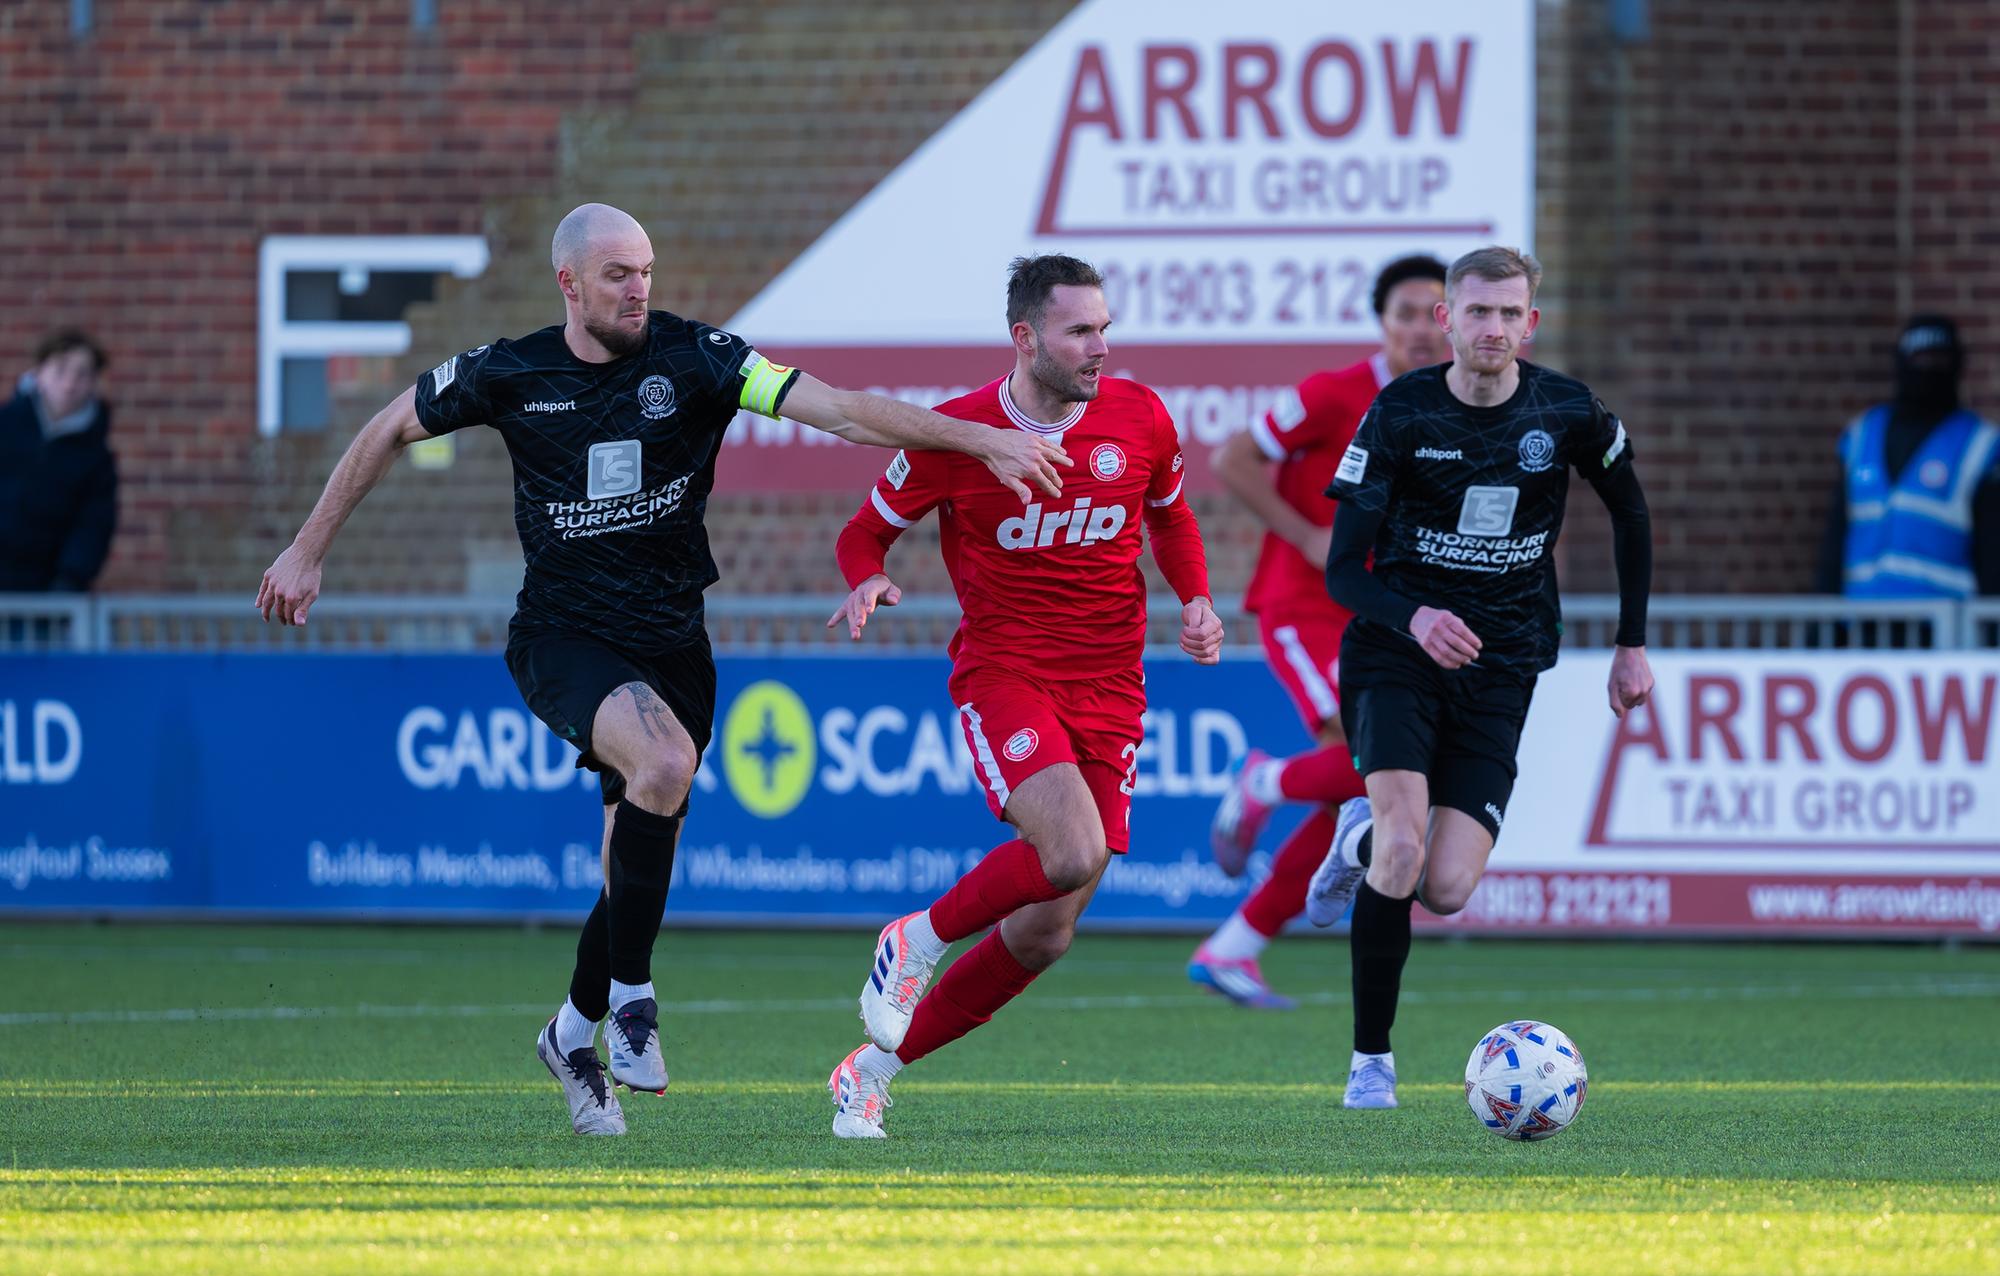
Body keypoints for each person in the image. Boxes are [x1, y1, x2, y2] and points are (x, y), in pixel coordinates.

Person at [255, 203, 1068, 1137]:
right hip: (562, 635)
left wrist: (983, 437)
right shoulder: (510, 371)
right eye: (617, 274)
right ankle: (634, 1003)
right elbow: (391, 425)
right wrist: (308, 548)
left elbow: (842, 410)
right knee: (666, 765)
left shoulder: (700, 359)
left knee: (632, 864)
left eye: (645, 270)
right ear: (569, 282)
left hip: (676, 645)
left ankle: (571, 1033)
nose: (639, 287)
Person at [822, 253, 1222, 1139]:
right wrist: (868, 579)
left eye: (1106, 328)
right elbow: (865, 531)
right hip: (1008, 673)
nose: (1100, 347)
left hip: (1114, 685)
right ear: (1025, 336)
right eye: (1081, 331)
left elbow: (1169, 512)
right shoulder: (958, 433)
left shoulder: (1141, 416)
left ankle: (871, 1072)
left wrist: (1194, 596)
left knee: (1047, 931)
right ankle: (914, 938)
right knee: (1072, 849)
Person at [1307, 245, 1654, 1110]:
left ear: (1529, 323)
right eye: (1477, 312)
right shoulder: (1401, 413)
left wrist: (1631, 643)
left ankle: (1352, 839)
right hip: (1398, 655)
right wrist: (1415, 616)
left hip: (1504, 665)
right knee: (1402, 846)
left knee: (1448, 886)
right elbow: (1344, 570)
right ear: (1446, 321)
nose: (1492, 327)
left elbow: (1632, 510)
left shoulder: (1567, 409)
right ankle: (1370, 1065)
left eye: (1509, 313)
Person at [1192, 256, 1451, 1009]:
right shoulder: (1333, 394)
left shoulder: (1448, 409)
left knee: (1363, 795)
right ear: (1383, 321)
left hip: (1378, 615)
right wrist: (1307, 535)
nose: (1420, 327)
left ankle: (1233, 947)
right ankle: (1261, 781)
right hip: (1304, 606)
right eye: (1406, 311)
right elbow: (1233, 457)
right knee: (1372, 767)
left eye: (1436, 312)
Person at [1816, 315, 2000, 600]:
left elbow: (1993, 552)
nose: (1927, 370)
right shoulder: (1861, 437)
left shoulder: (1981, 445)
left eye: (1937, 360)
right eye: (1919, 358)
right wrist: (1823, 627)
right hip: (1864, 624)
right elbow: (1835, 543)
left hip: (1943, 628)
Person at [0, 331, 117, 593]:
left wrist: (70, 580)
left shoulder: (96, 457)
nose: (69, 383)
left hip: (44, 599)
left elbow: (94, 526)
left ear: (92, 383)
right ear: (39, 373)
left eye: (82, 374)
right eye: (60, 369)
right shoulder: (5, 427)